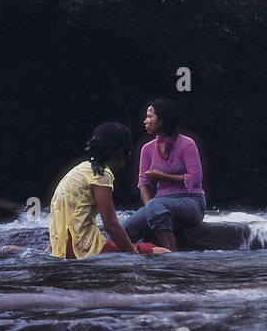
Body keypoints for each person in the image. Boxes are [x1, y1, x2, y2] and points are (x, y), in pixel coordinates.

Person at [48, 122, 170, 258]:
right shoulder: (101, 174)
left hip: (63, 248)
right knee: (160, 252)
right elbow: (110, 224)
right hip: (84, 250)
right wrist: (134, 254)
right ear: (121, 151)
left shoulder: (79, 170)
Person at [124, 99, 206, 251]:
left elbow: (195, 179)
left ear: (162, 120)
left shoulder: (187, 144)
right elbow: (143, 183)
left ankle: (171, 257)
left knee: (156, 205)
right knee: (121, 230)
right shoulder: (146, 149)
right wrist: (150, 209)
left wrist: (162, 176)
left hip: (191, 201)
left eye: (149, 117)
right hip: (159, 205)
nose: (145, 121)